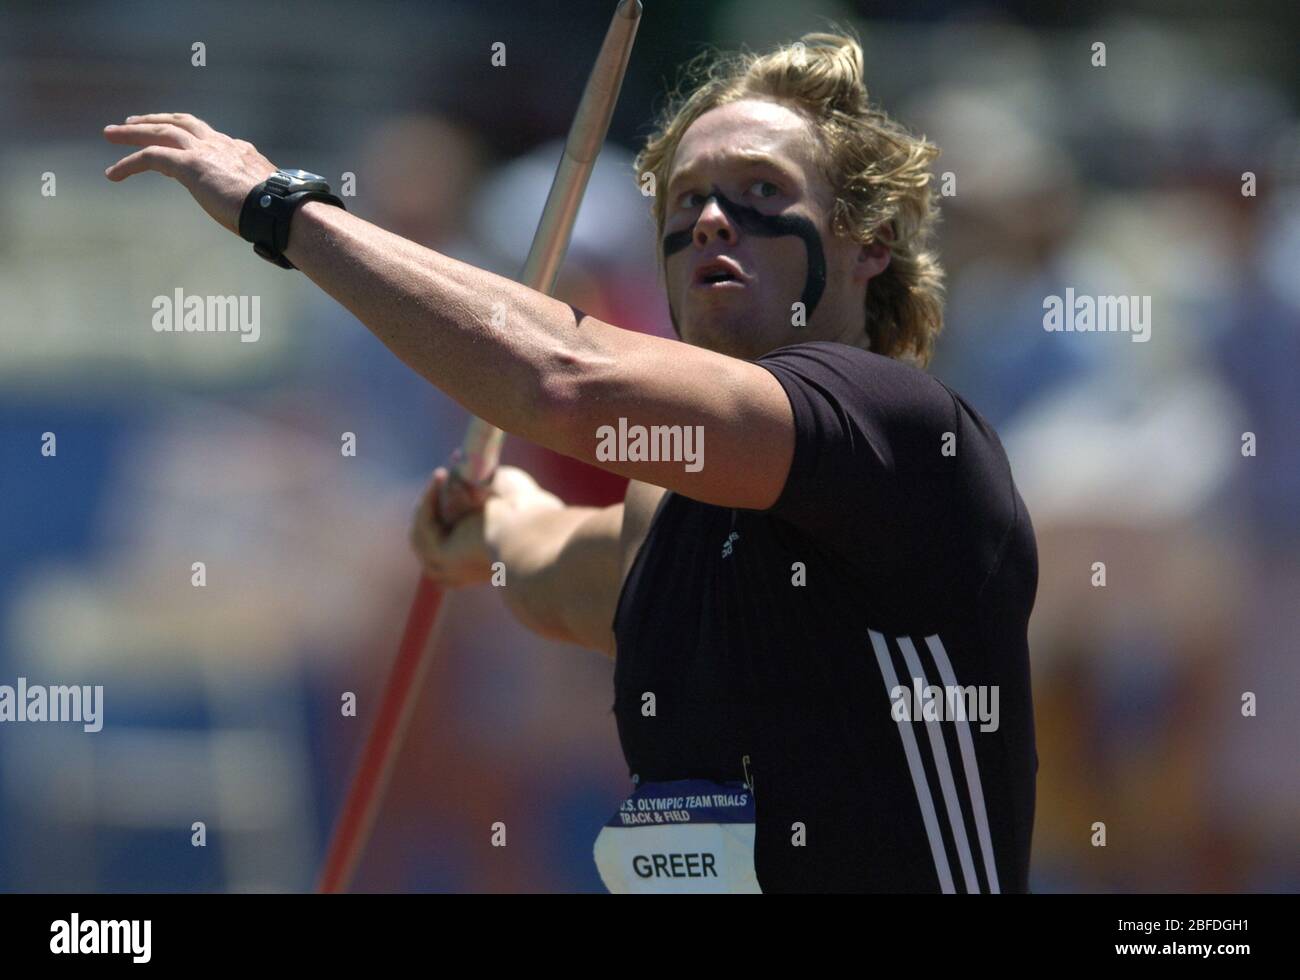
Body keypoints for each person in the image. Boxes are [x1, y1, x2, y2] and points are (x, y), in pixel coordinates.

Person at [103, 31, 1037, 893]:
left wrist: (287, 212)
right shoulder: (668, 508)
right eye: (686, 199)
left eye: (761, 192)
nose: (712, 218)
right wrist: (493, 522)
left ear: (869, 241)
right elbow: (560, 570)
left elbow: (561, 376)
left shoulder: (897, 426)